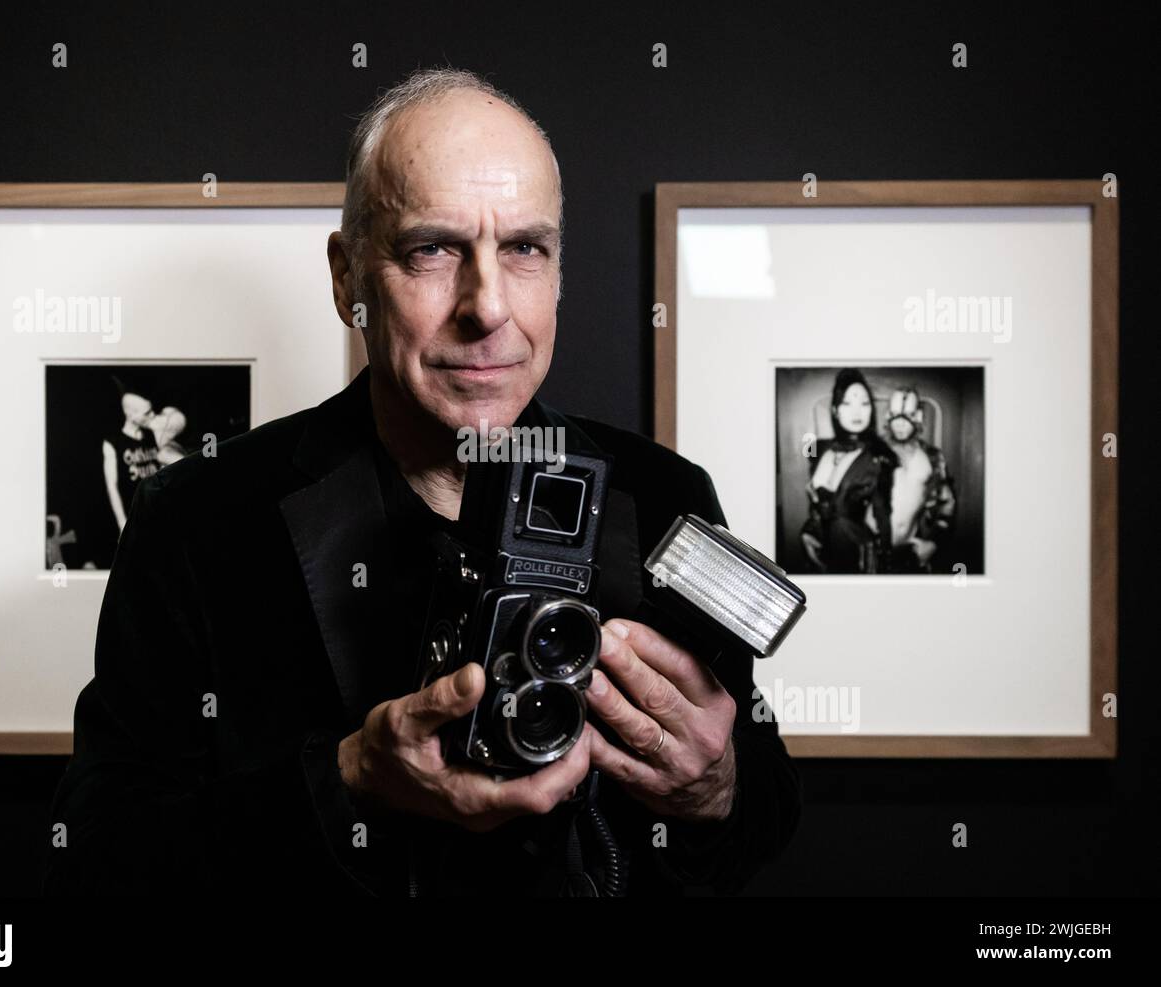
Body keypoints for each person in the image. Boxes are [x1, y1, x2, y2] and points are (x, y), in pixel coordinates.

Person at [46, 68, 802, 897]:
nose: (487, 306)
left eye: (524, 249)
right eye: (432, 249)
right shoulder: (199, 520)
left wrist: (712, 787)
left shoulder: (661, 496)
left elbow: (763, 821)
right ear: (348, 280)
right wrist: (349, 780)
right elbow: (103, 849)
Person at [799, 369, 896, 574]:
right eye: (847, 403)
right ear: (835, 410)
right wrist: (808, 533)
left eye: (864, 403)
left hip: (857, 555)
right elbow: (817, 507)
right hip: (822, 553)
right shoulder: (821, 450)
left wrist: (886, 568)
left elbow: (883, 516)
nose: (857, 412)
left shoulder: (879, 457)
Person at [882, 386, 956, 573]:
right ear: (887, 415)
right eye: (896, 415)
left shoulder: (933, 458)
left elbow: (946, 504)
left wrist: (933, 541)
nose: (900, 423)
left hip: (910, 553)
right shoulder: (874, 454)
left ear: (918, 417)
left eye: (907, 415)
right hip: (869, 552)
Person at [101, 388, 160, 534]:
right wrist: (123, 525)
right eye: (146, 412)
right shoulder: (112, 443)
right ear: (130, 414)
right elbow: (112, 487)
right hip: (135, 518)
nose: (152, 415)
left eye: (151, 410)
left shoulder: (152, 435)